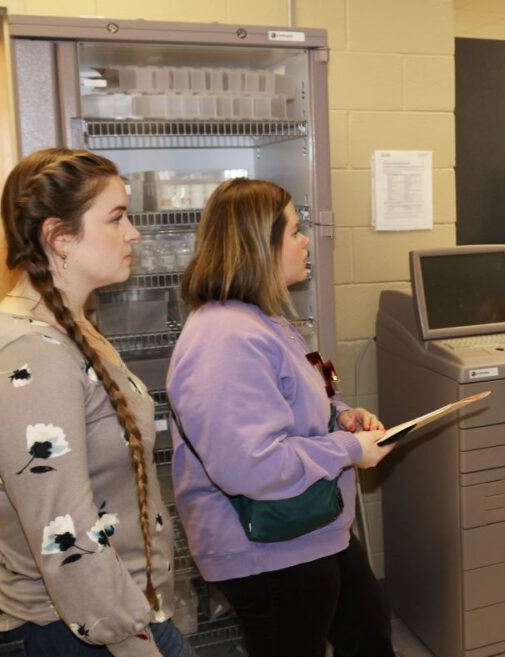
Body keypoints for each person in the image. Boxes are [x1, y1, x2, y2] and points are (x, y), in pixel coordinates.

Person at [0, 149, 193, 657]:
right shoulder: (30, 355)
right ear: (59, 237)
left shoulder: (69, 325)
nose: (133, 233)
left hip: (114, 613)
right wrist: (131, 641)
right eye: (116, 218)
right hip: (72, 628)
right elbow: (64, 535)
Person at [167, 178, 396, 657]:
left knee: (367, 632)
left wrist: (341, 417)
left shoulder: (264, 320)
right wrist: (349, 450)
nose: (306, 240)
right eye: (294, 231)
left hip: (313, 529)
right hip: (268, 552)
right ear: (259, 246)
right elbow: (252, 465)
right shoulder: (225, 338)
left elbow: (296, 401)